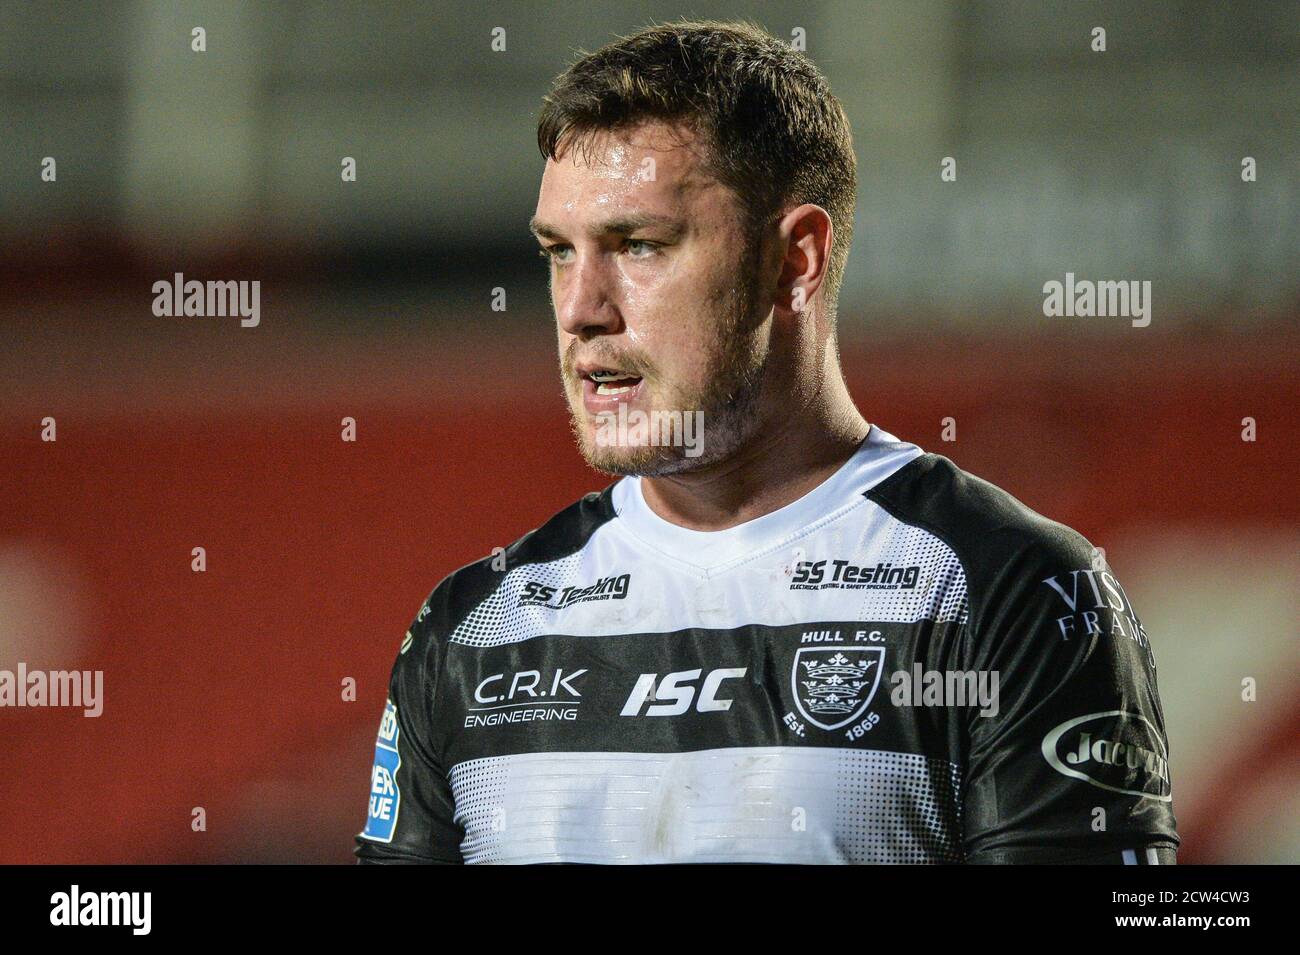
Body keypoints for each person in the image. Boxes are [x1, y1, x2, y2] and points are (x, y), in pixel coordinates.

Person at [355, 19, 1178, 864]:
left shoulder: (1013, 594)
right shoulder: (473, 630)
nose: (580, 309)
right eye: (559, 253)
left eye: (639, 245)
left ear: (796, 260)